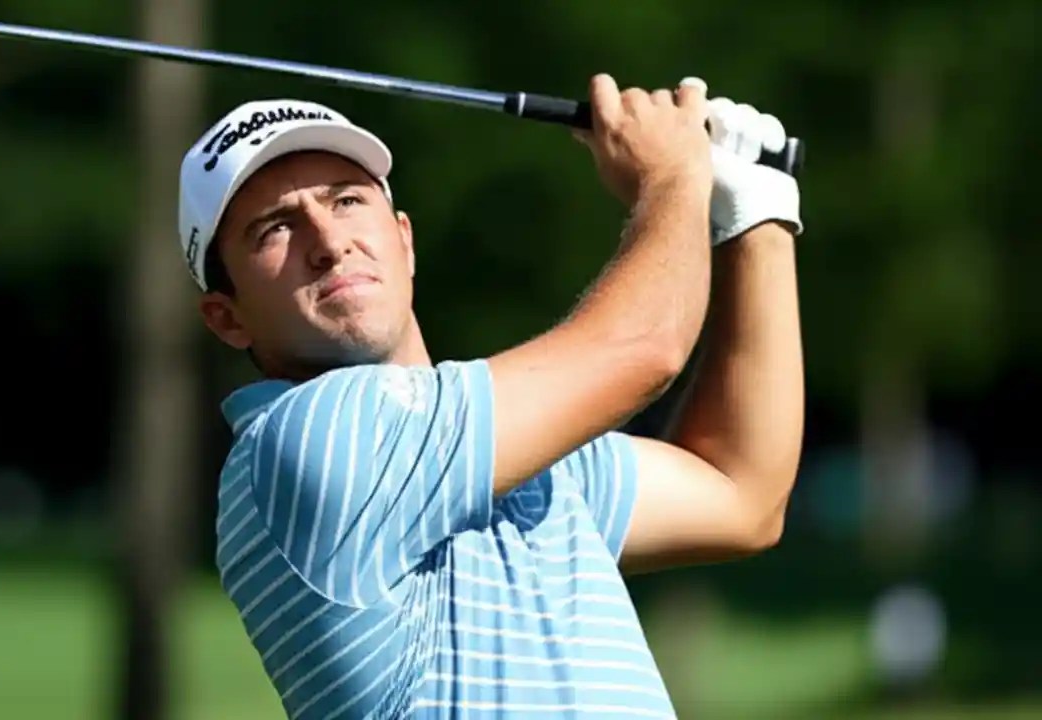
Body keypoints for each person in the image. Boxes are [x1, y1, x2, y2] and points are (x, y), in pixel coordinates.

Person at [178, 73, 805, 719]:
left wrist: (757, 221)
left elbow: (741, 494)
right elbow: (644, 348)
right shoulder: (303, 442)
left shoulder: (505, 451)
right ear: (227, 318)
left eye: (345, 201)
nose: (330, 243)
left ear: (405, 240)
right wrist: (674, 175)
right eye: (275, 230)